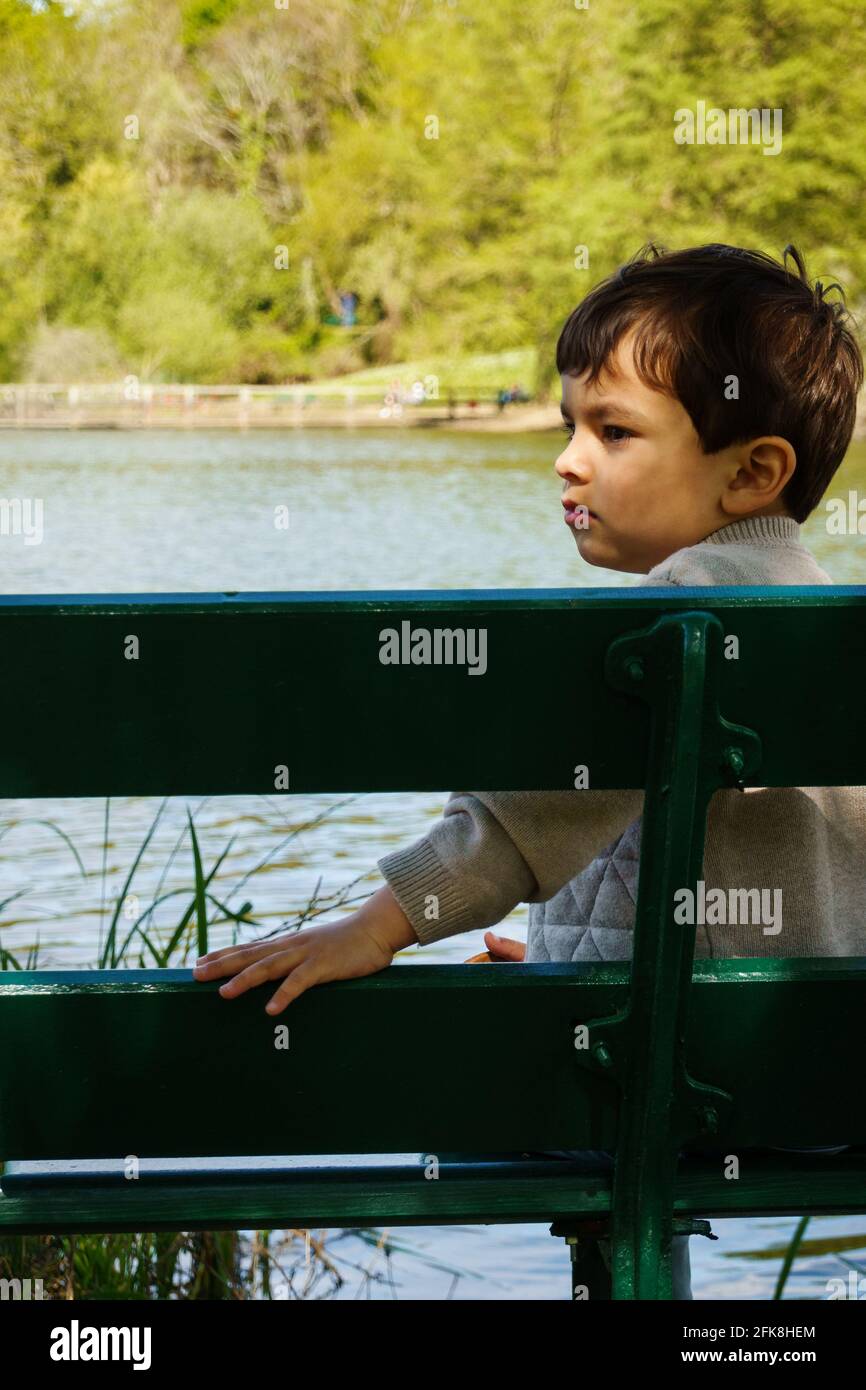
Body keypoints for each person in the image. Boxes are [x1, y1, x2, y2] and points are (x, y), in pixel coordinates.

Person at [193, 241, 865, 1299]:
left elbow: (517, 822)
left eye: (612, 431)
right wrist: (574, 949)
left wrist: (372, 927)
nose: (565, 458)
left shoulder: (667, 615)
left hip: (647, 1091)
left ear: (751, 470)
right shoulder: (826, 628)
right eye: (567, 425)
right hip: (814, 1096)